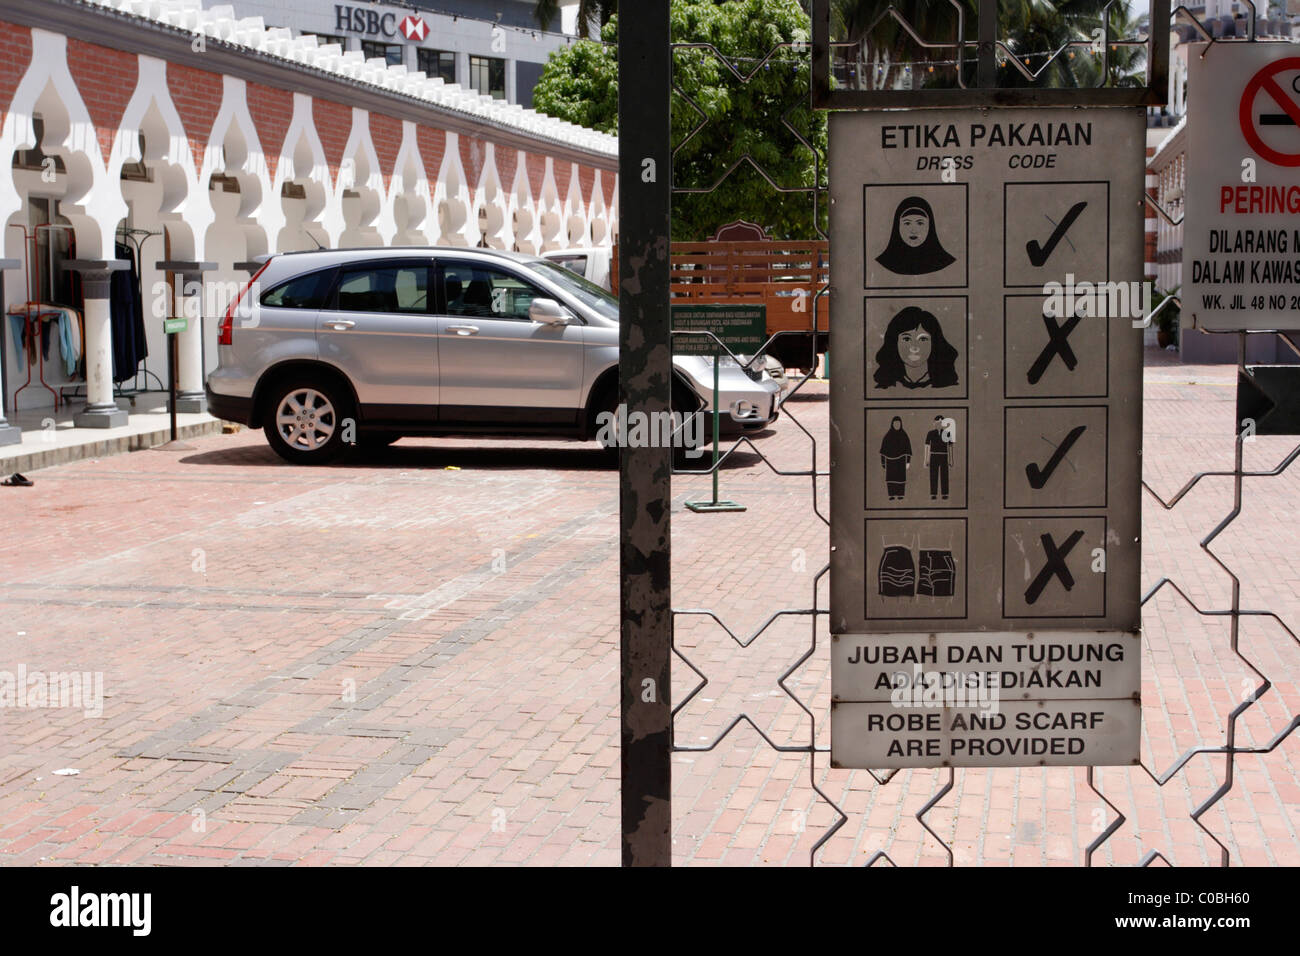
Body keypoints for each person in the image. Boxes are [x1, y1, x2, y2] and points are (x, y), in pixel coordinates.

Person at [873, 306, 960, 390]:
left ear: (934, 343)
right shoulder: (885, 386)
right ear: (894, 342)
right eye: (906, 339)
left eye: (923, 339)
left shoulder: (949, 385)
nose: (914, 347)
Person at [875, 196, 956, 275]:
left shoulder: (943, 260)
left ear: (930, 226)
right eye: (907, 223)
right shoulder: (886, 261)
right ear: (897, 226)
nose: (913, 230)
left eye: (920, 223)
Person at [879, 416, 912, 500]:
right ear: (892, 424)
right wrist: (883, 463)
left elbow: (908, 449)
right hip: (890, 461)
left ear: (900, 424)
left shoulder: (904, 435)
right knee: (891, 478)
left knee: (900, 478)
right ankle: (891, 495)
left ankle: (901, 495)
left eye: (898, 424)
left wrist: (908, 462)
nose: (896, 425)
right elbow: (883, 451)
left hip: (901, 460)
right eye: (895, 424)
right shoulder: (888, 436)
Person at [924, 415, 954, 500]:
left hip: (944, 456)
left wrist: (951, 459)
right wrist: (926, 459)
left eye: (941, 423)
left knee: (944, 475)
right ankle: (933, 494)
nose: (939, 424)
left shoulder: (947, 433)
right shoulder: (930, 433)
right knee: (933, 475)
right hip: (933, 456)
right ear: (934, 423)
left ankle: (945, 493)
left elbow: (950, 446)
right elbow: (927, 446)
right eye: (937, 423)